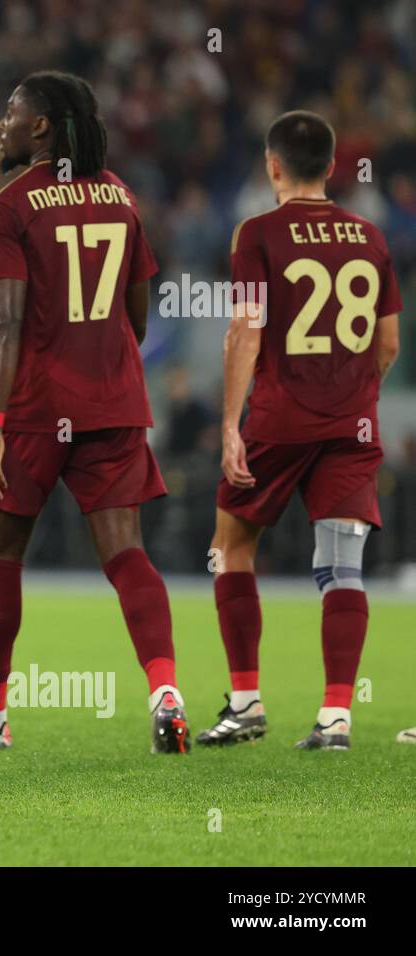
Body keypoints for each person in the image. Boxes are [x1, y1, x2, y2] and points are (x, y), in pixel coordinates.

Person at [0, 71, 190, 754]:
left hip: (36, 408)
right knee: (127, 552)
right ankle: (166, 694)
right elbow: (136, 314)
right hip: (115, 402)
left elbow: (3, 323)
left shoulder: (9, 207)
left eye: (11, 113)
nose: (1, 125)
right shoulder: (121, 195)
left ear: (40, 126)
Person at [199, 110, 402, 751]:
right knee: (342, 567)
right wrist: (354, 394)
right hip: (353, 425)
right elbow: (389, 343)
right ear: (333, 166)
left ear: (273, 166)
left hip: (280, 419)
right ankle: (336, 716)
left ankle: (245, 702)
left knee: (230, 548)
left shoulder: (258, 233)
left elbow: (246, 330)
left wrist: (230, 423)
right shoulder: (370, 236)